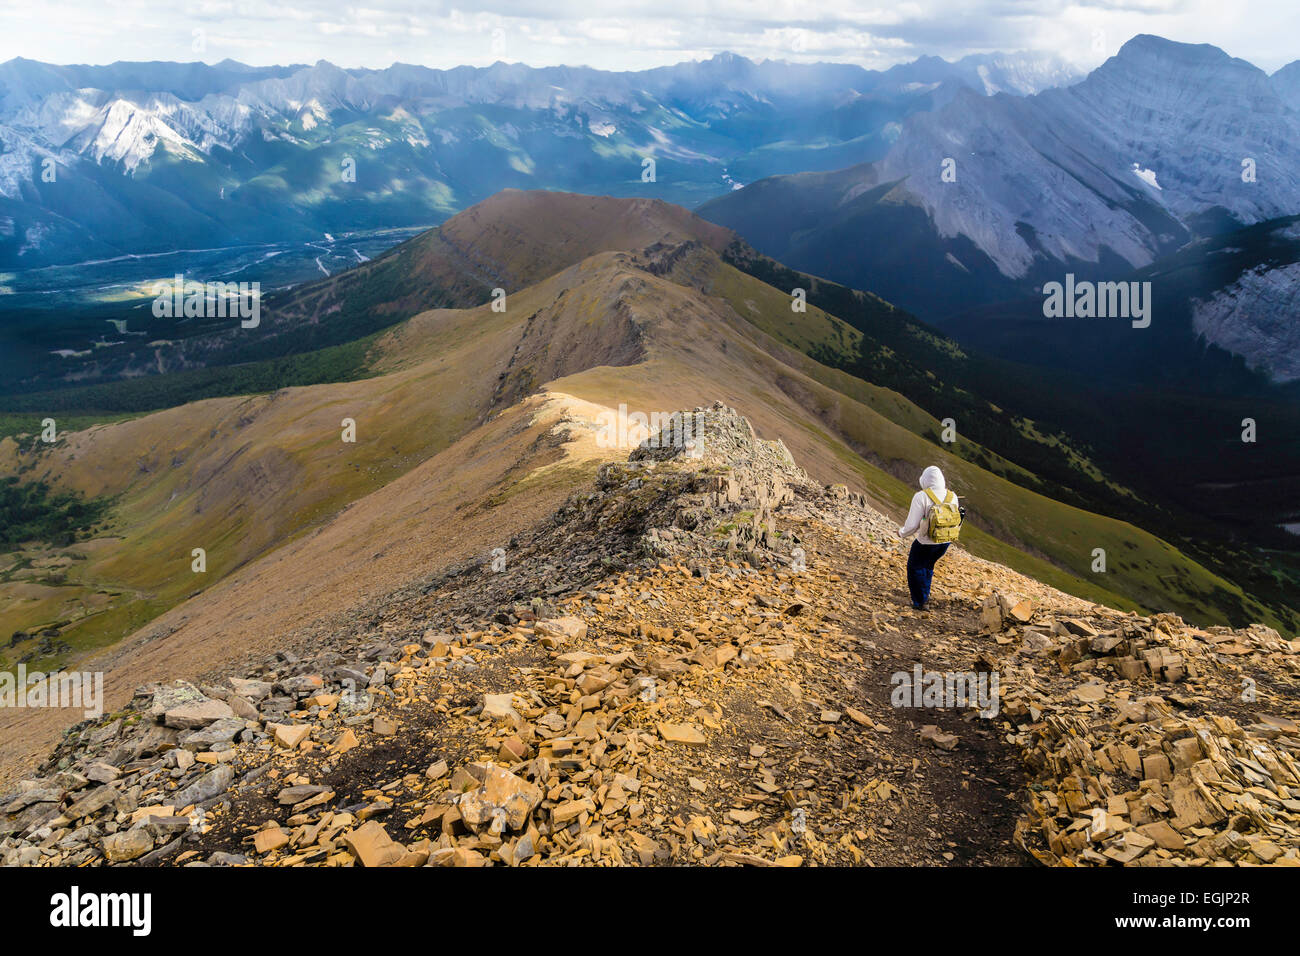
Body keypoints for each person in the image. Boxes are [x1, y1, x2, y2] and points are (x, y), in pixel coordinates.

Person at [897, 465, 959, 611]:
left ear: (925, 480)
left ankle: (920, 602)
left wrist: (901, 533)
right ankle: (925, 595)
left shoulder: (922, 496)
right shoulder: (952, 496)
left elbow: (913, 525)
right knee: (928, 566)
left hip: (926, 542)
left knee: (914, 567)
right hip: (945, 542)